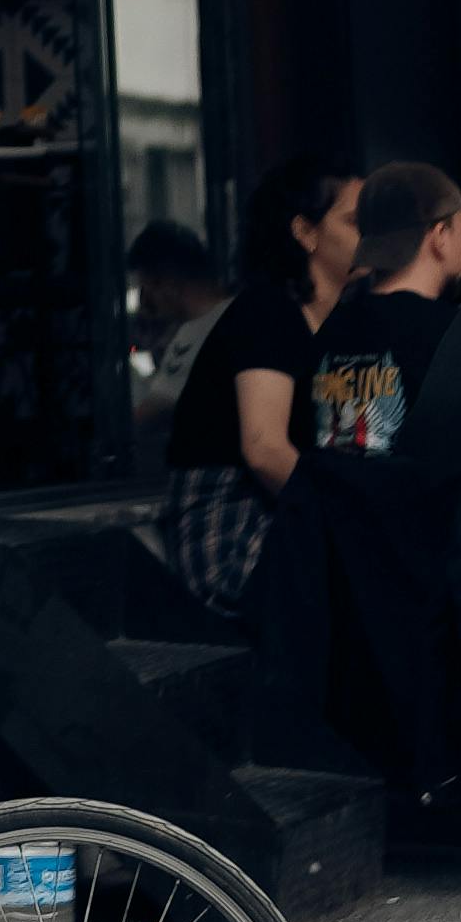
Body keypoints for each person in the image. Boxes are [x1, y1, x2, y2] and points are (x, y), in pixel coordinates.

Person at [156, 162, 359, 614]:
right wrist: (353, 519)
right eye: (354, 220)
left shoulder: (342, 324)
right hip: (230, 523)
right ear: (306, 233)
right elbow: (264, 449)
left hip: (287, 515)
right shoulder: (268, 311)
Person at [306, 162, 461, 462]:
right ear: (441, 236)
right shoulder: (452, 335)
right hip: (419, 507)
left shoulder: (331, 328)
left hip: (334, 505)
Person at [124, 218, 227, 447]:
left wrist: (113, 432)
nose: (147, 299)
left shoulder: (203, 331)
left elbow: (155, 410)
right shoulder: (197, 327)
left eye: (148, 286)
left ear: (168, 281)